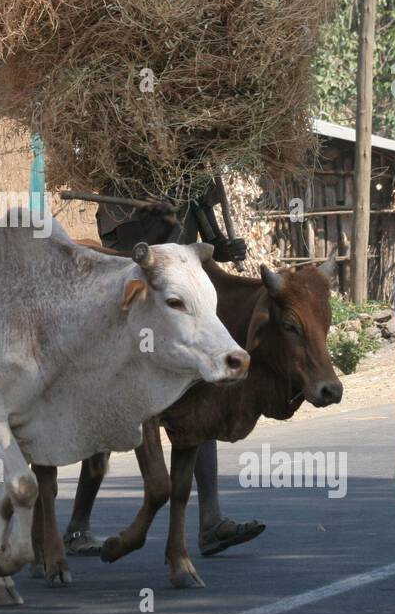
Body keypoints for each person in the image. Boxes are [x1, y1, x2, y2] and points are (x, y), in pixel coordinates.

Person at [62, 179, 267, 558]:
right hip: (142, 312)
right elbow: (126, 257)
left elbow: (203, 253)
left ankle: (211, 521)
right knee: (115, 412)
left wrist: (224, 247)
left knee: (199, 406)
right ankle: (77, 526)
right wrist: (158, 223)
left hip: (185, 317)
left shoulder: (195, 183)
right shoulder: (121, 183)